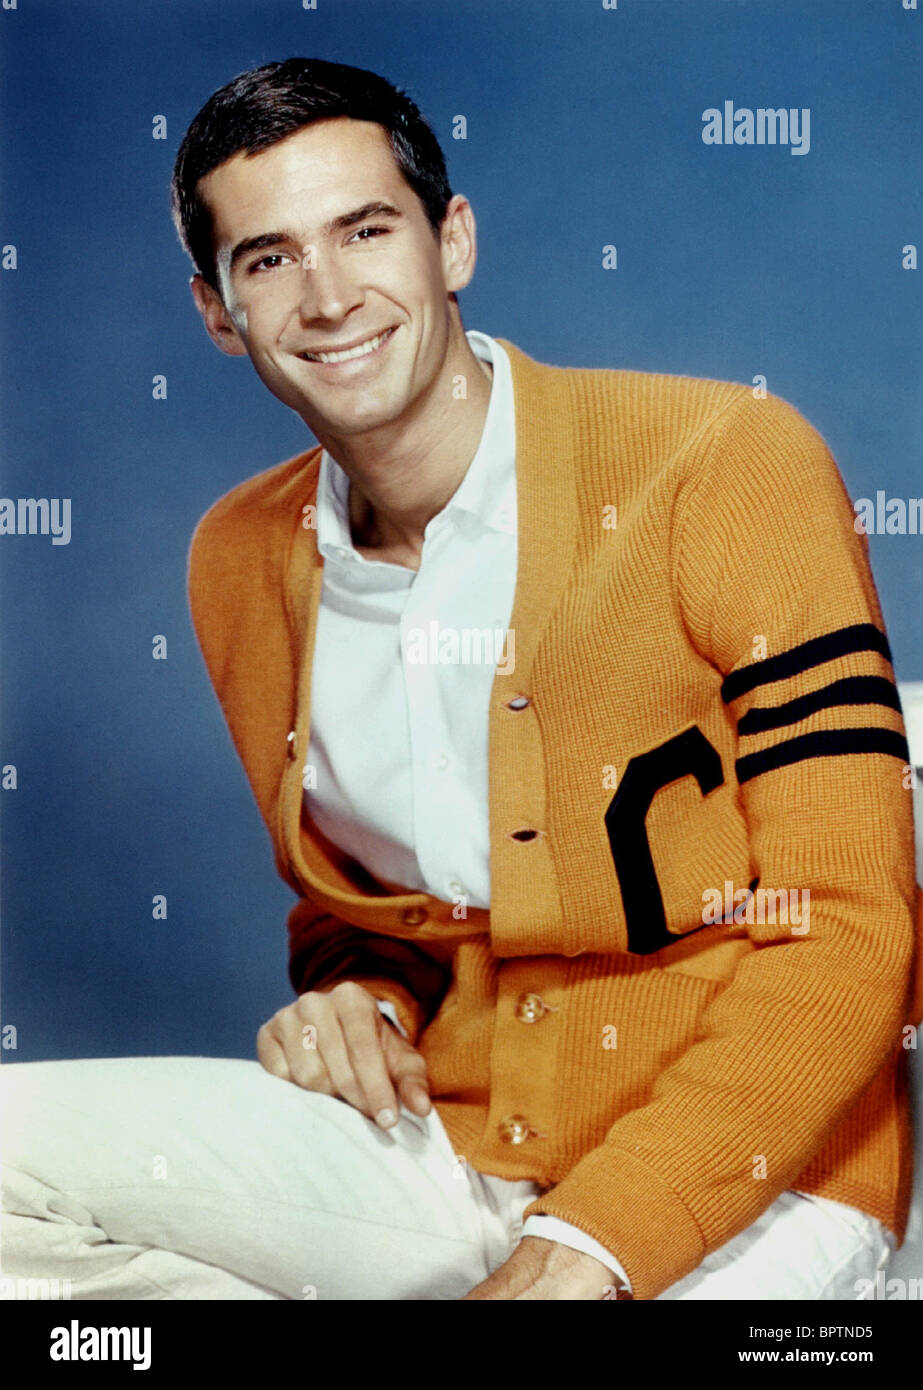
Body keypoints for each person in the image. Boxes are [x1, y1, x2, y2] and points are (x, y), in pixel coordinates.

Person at [1, 56, 920, 1302]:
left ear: (452, 241)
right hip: (450, 1143)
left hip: (757, 1171)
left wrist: (591, 1246)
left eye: (365, 230)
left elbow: (848, 928)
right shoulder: (240, 557)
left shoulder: (721, 465)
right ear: (217, 314)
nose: (327, 296)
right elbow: (366, 910)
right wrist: (355, 993)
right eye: (268, 259)